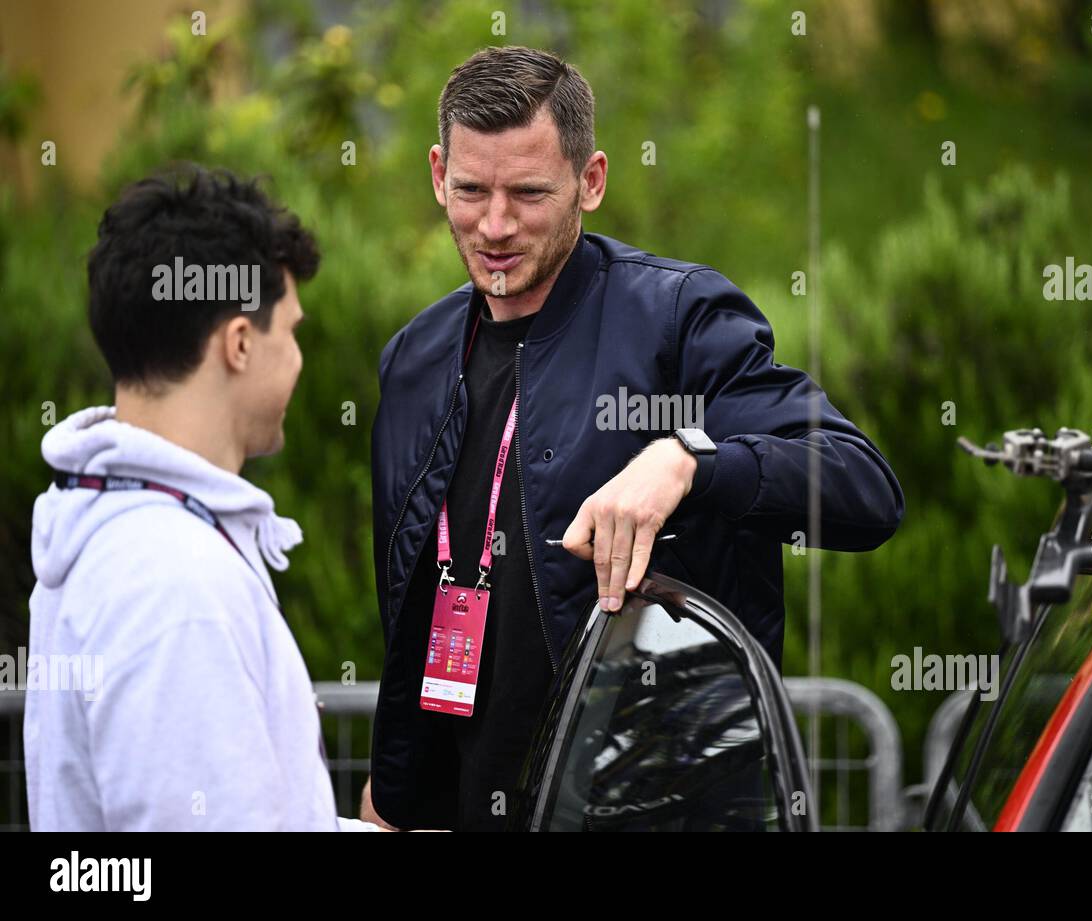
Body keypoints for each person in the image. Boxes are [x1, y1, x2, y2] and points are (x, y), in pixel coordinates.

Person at [363, 45, 904, 832]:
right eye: (473, 190)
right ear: (438, 172)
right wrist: (391, 795)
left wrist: (689, 456)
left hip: (660, 810)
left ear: (592, 181)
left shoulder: (679, 318)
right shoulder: (413, 357)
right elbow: (413, 614)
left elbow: (865, 490)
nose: (495, 224)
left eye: (530, 193)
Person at [25, 166, 380, 831]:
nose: (299, 357)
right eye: (292, 331)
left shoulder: (115, 528)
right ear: (240, 342)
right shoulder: (173, 584)